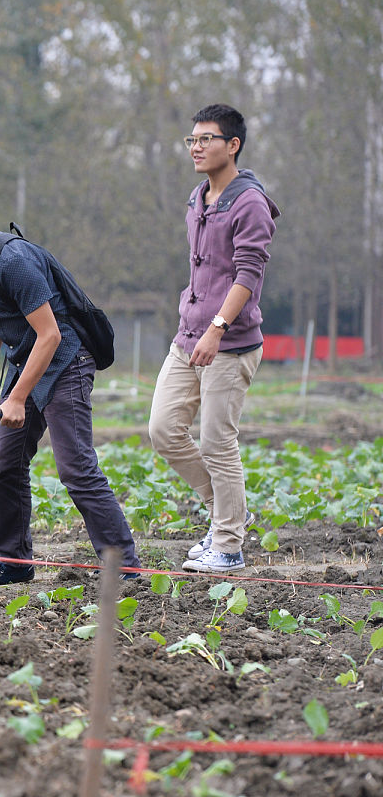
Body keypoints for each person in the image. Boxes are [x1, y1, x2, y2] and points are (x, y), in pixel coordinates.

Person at [0, 175, 140, 585]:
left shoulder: (12, 259)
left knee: (76, 468)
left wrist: (18, 398)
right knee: (6, 465)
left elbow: (51, 334)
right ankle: (14, 564)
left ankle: (124, 566)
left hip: (66, 361)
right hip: (29, 361)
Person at [148, 104, 280, 574]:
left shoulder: (250, 203)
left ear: (233, 145)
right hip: (187, 338)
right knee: (163, 430)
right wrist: (196, 327)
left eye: (207, 139)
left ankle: (227, 546)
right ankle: (229, 512)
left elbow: (248, 275)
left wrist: (217, 327)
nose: (196, 147)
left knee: (218, 442)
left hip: (230, 342)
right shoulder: (197, 197)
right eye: (193, 139)